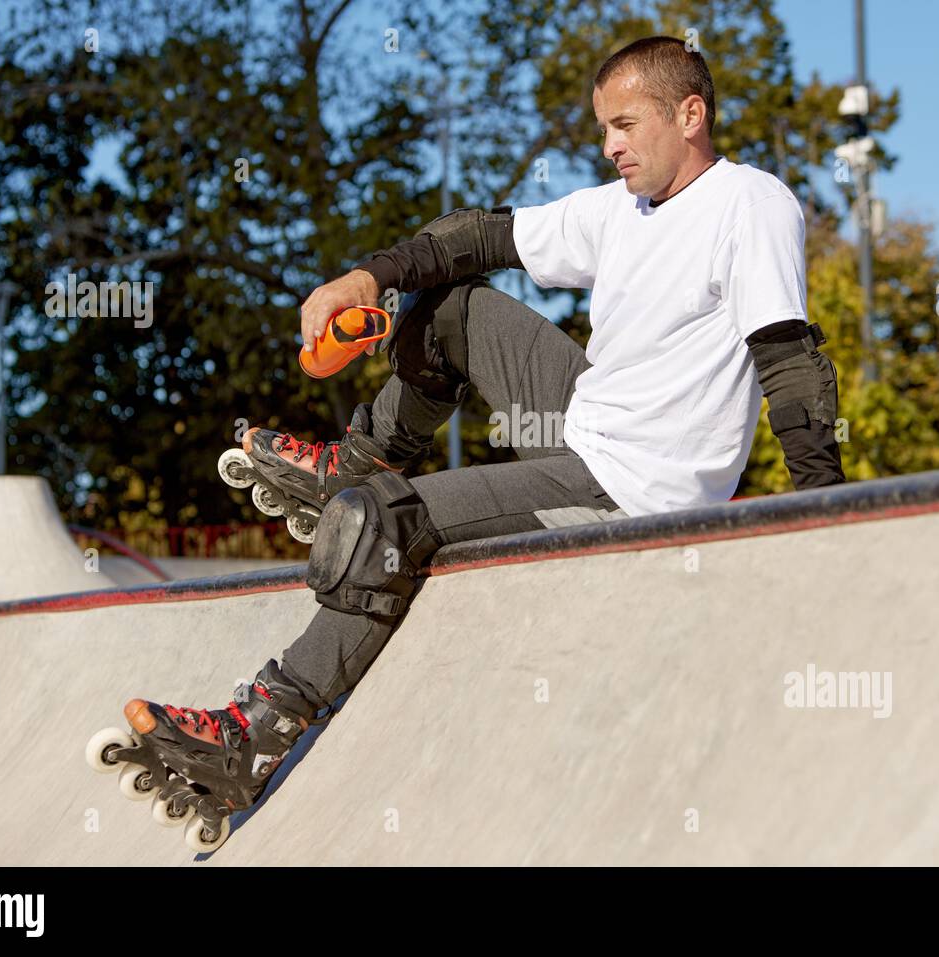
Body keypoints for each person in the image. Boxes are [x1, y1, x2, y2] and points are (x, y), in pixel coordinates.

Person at [115, 36, 845, 844]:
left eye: (626, 126)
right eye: (603, 128)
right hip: (581, 425)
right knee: (449, 308)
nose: (610, 147)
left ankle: (256, 732)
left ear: (691, 113)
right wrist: (369, 277)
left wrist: (816, 515)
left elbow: (787, 360)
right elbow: (480, 238)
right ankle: (355, 464)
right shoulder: (620, 208)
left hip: (638, 488)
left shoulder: (752, 205)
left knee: (382, 525)